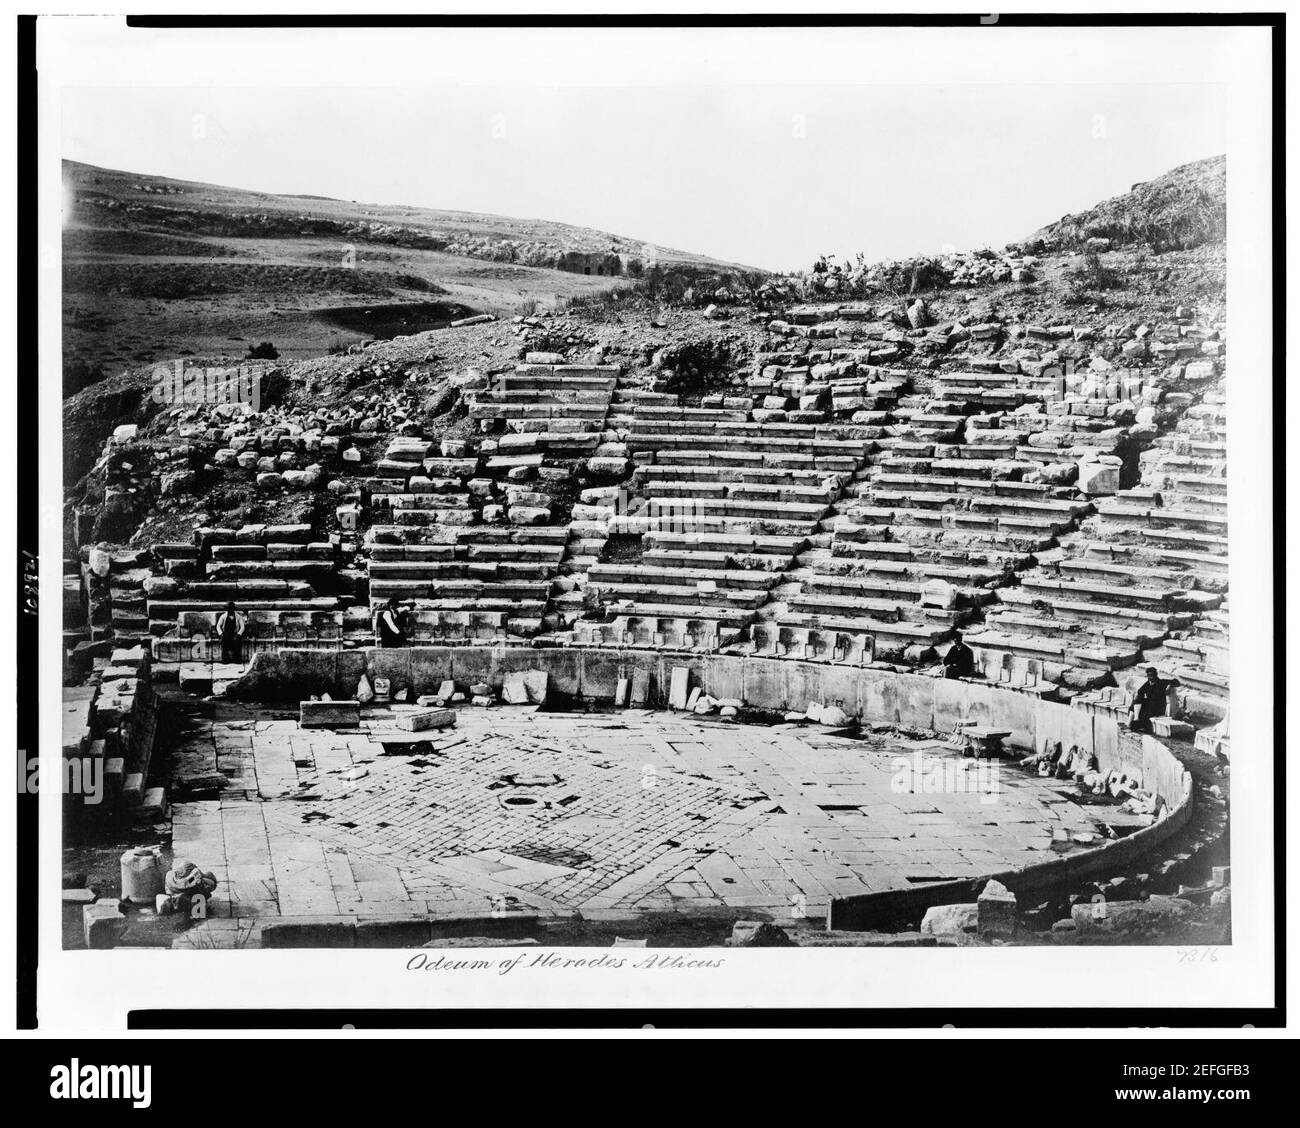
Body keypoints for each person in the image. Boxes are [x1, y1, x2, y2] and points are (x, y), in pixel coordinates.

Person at [1129, 667, 1166, 732]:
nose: (1151, 677)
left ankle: (1137, 723)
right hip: (1149, 704)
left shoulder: (1161, 682)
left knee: (1144, 711)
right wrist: (1139, 698)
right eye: (1149, 676)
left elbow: (1176, 682)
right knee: (1136, 701)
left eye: (1152, 675)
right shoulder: (1148, 683)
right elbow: (1140, 691)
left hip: (1158, 706)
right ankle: (1133, 720)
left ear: (1156, 675)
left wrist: (1169, 686)